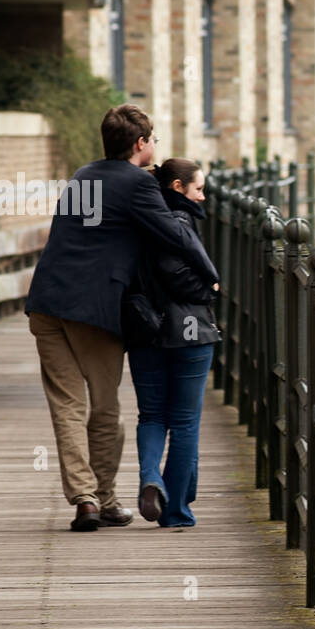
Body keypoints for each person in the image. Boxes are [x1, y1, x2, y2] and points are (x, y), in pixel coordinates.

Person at [25, 105, 217, 532]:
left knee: (67, 406)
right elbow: (175, 235)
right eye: (153, 140)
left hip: (47, 300)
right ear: (140, 143)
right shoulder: (138, 184)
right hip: (94, 309)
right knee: (105, 407)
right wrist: (212, 276)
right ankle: (107, 498)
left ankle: (84, 499)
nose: (155, 146)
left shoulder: (83, 175)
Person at [124, 159, 222, 528]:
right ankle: (176, 510)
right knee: (184, 422)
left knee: (151, 416)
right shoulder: (176, 220)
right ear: (178, 187)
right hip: (189, 333)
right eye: (199, 189)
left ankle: (151, 477)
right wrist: (210, 289)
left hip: (144, 330)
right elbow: (176, 274)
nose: (203, 196)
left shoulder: (135, 216)